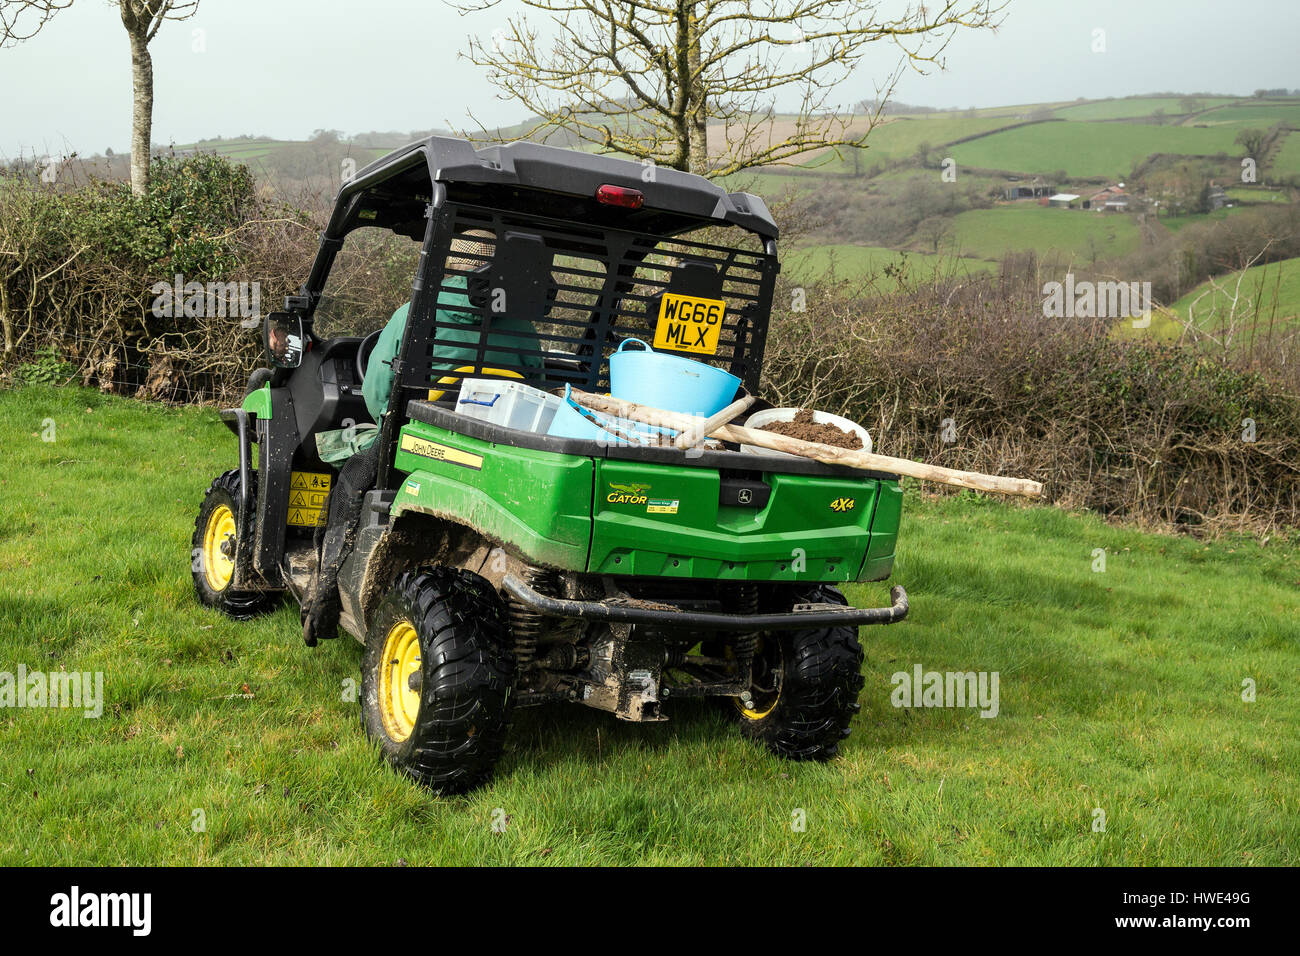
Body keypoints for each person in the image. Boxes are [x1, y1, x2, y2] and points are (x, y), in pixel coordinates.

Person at [302, 229, 543, 645]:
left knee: (349, 485)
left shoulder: (416, 312)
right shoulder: (521, 325)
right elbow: (537, 387)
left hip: (420, 449)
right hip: (501, 453)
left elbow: (380, 395)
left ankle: (323, 597)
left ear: (450, 263)